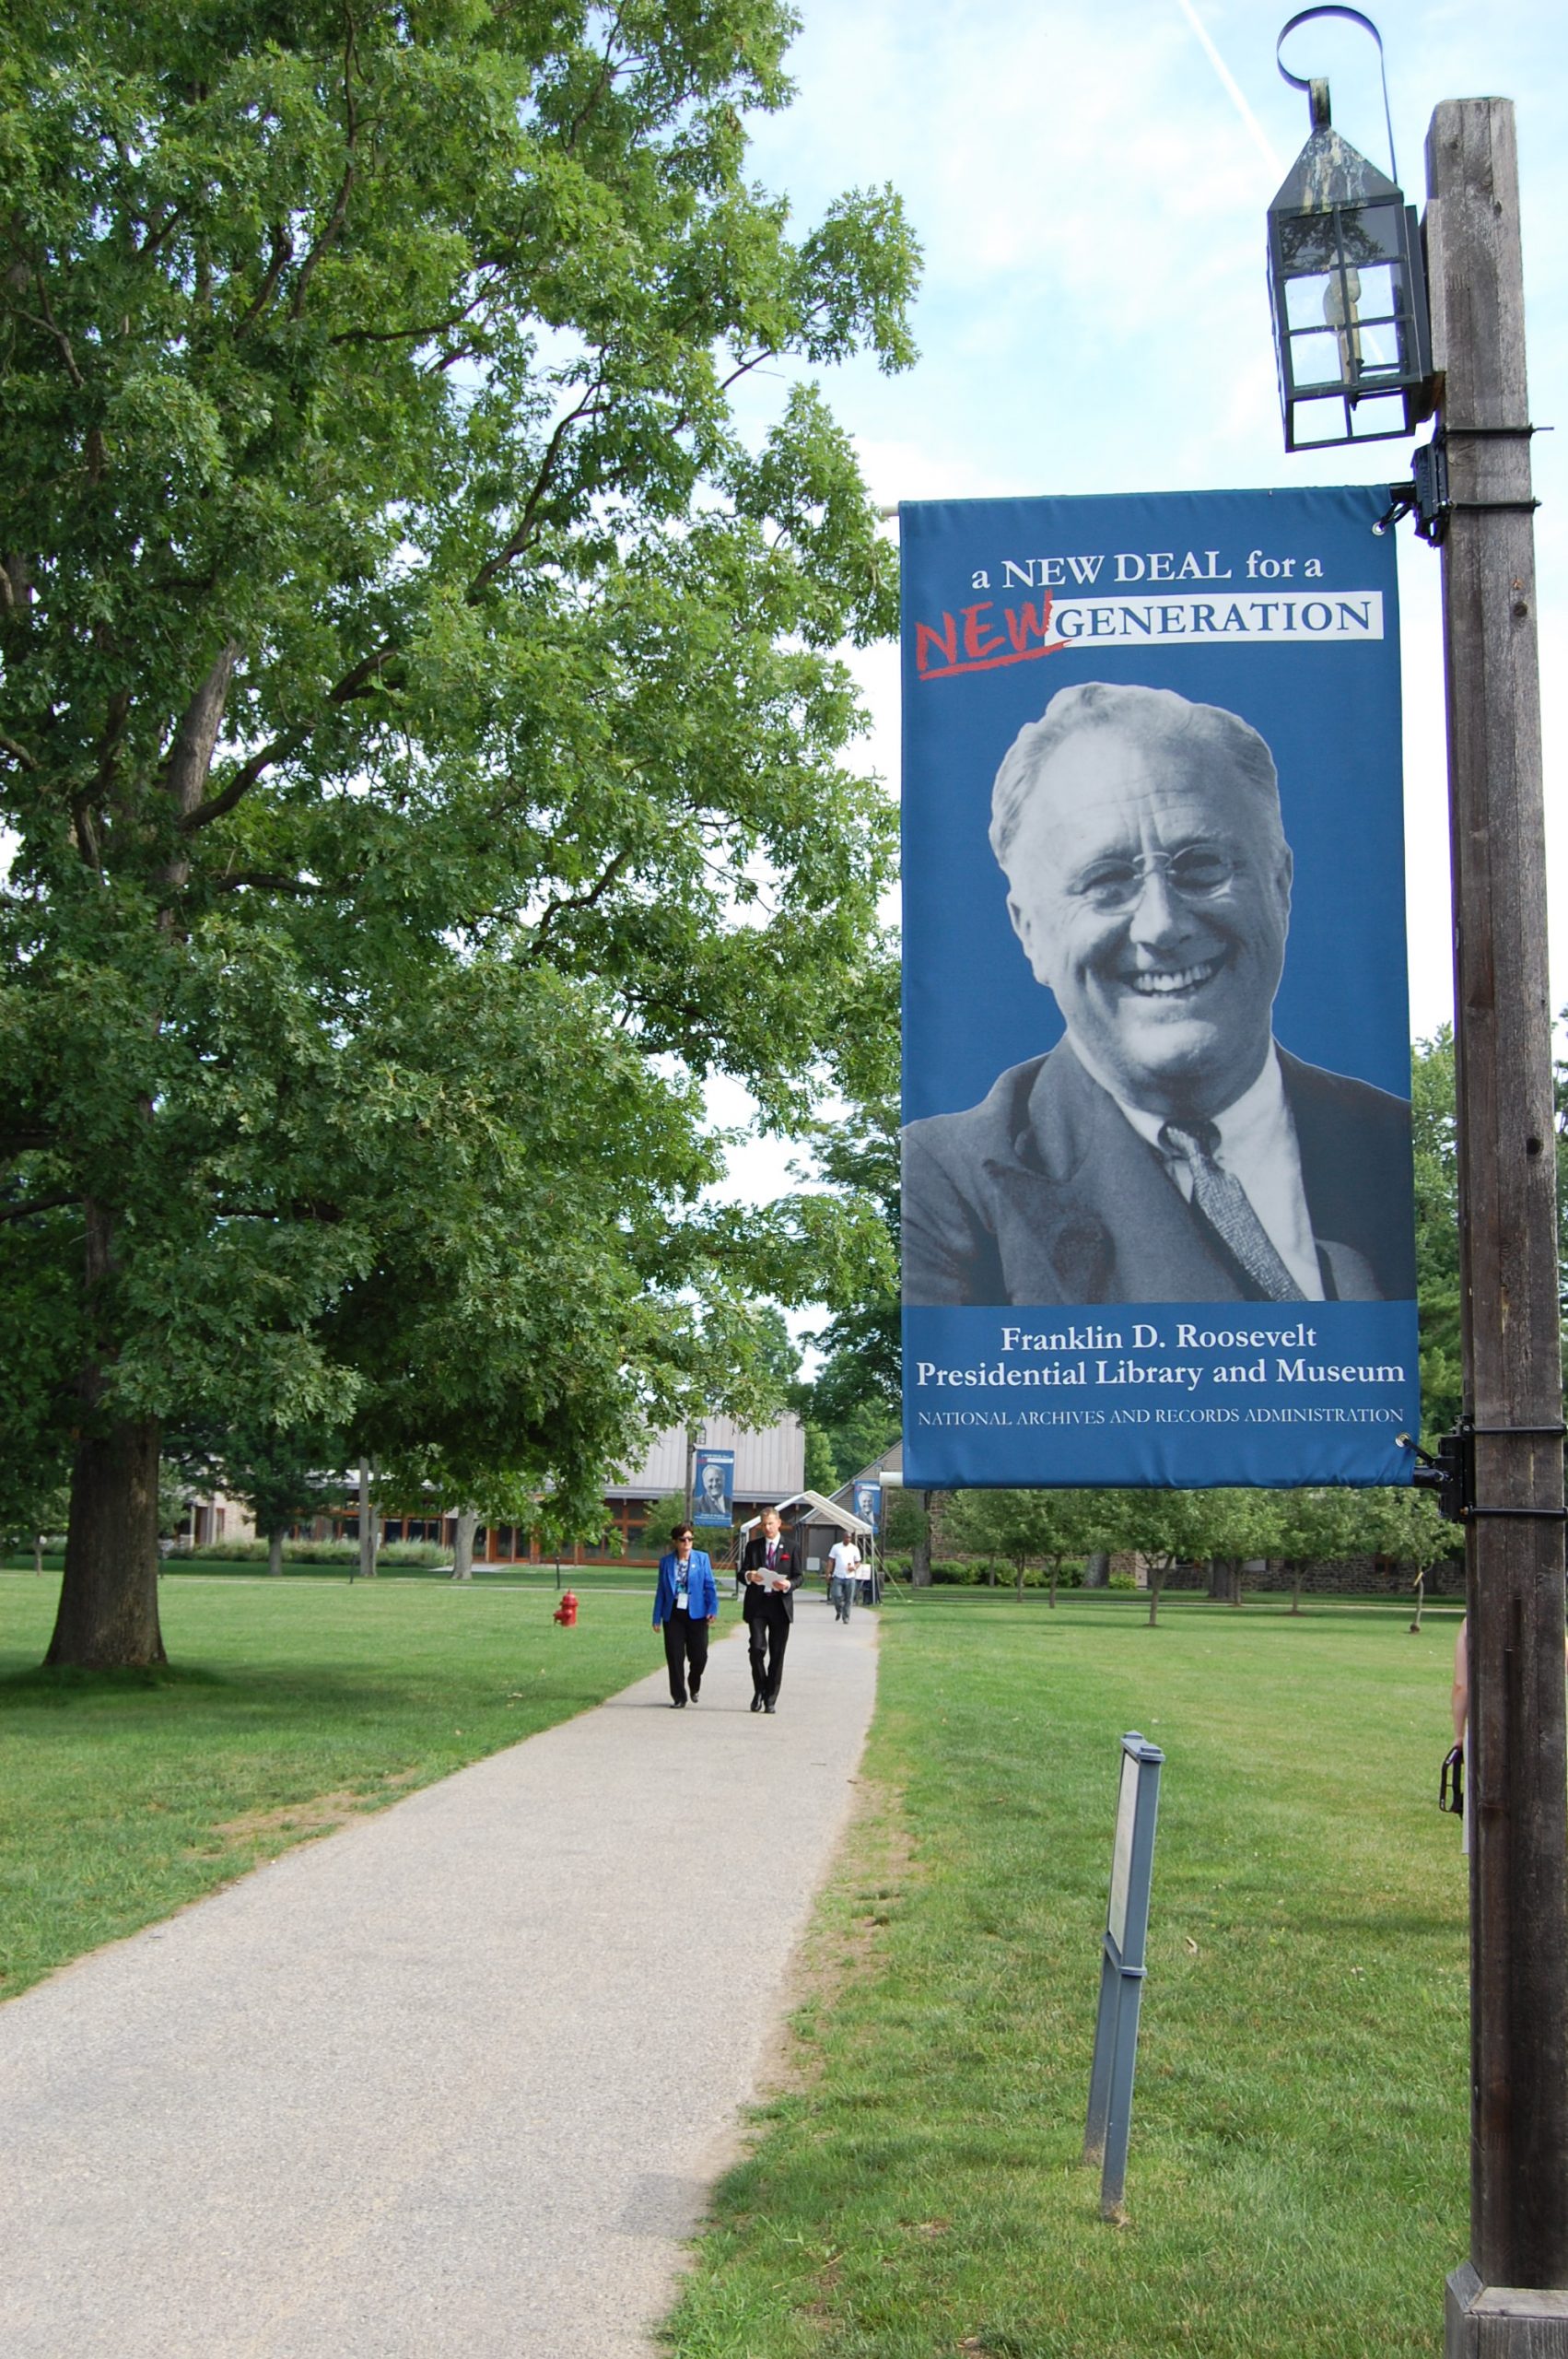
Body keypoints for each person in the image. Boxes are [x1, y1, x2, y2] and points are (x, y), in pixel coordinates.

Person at [902, 681, 1416, 1307]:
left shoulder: (1393, 1143)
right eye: (1107, 882)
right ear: (1029, 932)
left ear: (1280, 885)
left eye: (1201, 866)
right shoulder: (946, 1188)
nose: (1162, 925)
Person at [740, 1506, 802, 1713]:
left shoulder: (792, 1547)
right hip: (758, 1605)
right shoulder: (753, 1547)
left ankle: (770, 1698)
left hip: (779, 1606)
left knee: (777, 1654)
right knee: (757, 1649)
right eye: (764, 1524)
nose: (767, 1528)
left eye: (770, 1524)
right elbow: (742, 1572)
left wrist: (789, 1585)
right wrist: (749, 1575)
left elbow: (799, 1576)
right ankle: (759, 1689)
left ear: (779, 1523)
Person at [651, 1523, 719, 1708]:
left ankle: (694, 1682)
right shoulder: (666, 1562)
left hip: (697, 1613)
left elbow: (710, 1586)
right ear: (675, 1542)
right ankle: (679, 1696)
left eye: (690, 1539)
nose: (687, 1543)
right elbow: (661, 1591)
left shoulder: (702, 1558)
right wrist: (656, 1617)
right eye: (683, 1540)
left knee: (699, 1656)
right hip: (673, 1613)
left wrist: (712, 1609)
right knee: (674, 1656)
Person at [825, 1532, 862, 1623]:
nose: (848, 1539)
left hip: (850, 1577)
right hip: (838, 1575)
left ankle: (846, 1617)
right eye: (846, 1537)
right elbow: (831, 1561)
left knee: (849, 1598)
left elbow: (858, 1562)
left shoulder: (854, 1548)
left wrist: (854, 1567)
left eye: (849, 1538)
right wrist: (828, 1573)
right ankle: (839, 1610)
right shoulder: (836, 1547)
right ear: (843, 1537)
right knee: (836, 1596)